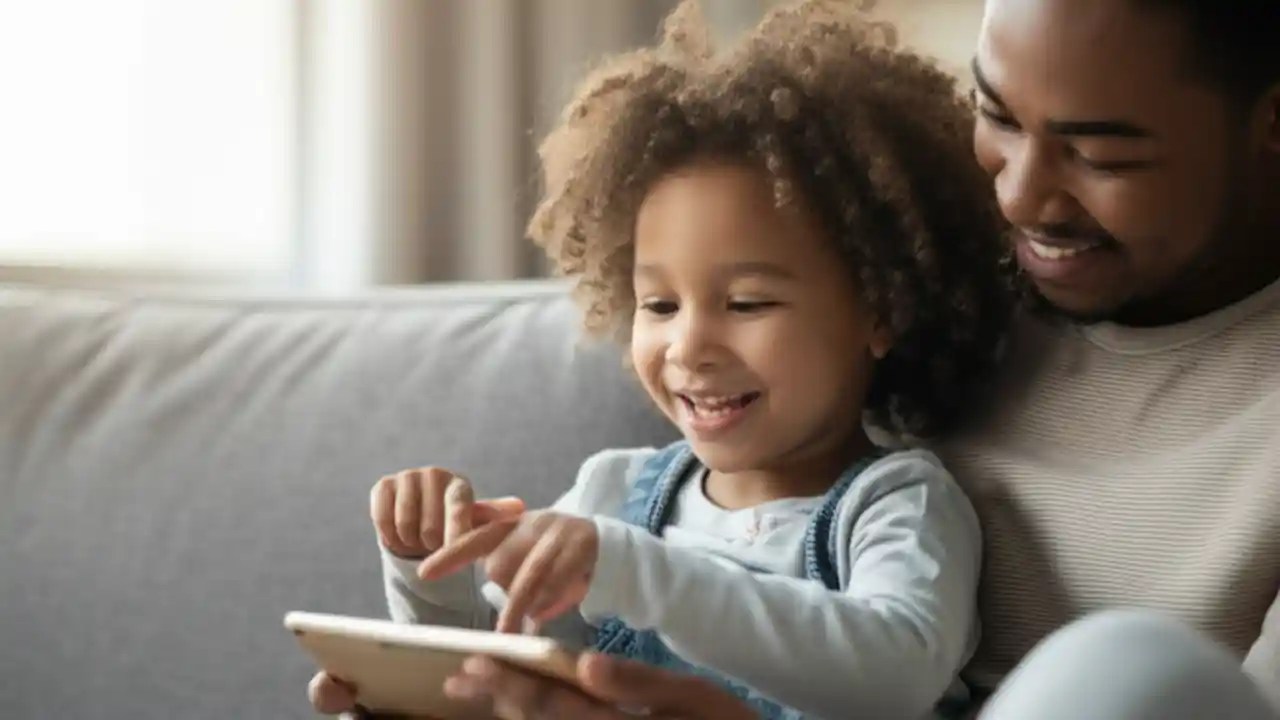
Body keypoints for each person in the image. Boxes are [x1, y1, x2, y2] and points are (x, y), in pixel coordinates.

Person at [312, 0, 1280, 716]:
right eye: (994, 116)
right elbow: (504, 646)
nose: (1020, 198)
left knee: (1128, 672)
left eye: (1100, 155)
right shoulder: (927, 275)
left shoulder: (890, 484)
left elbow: (895, 661)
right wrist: (428, 592)